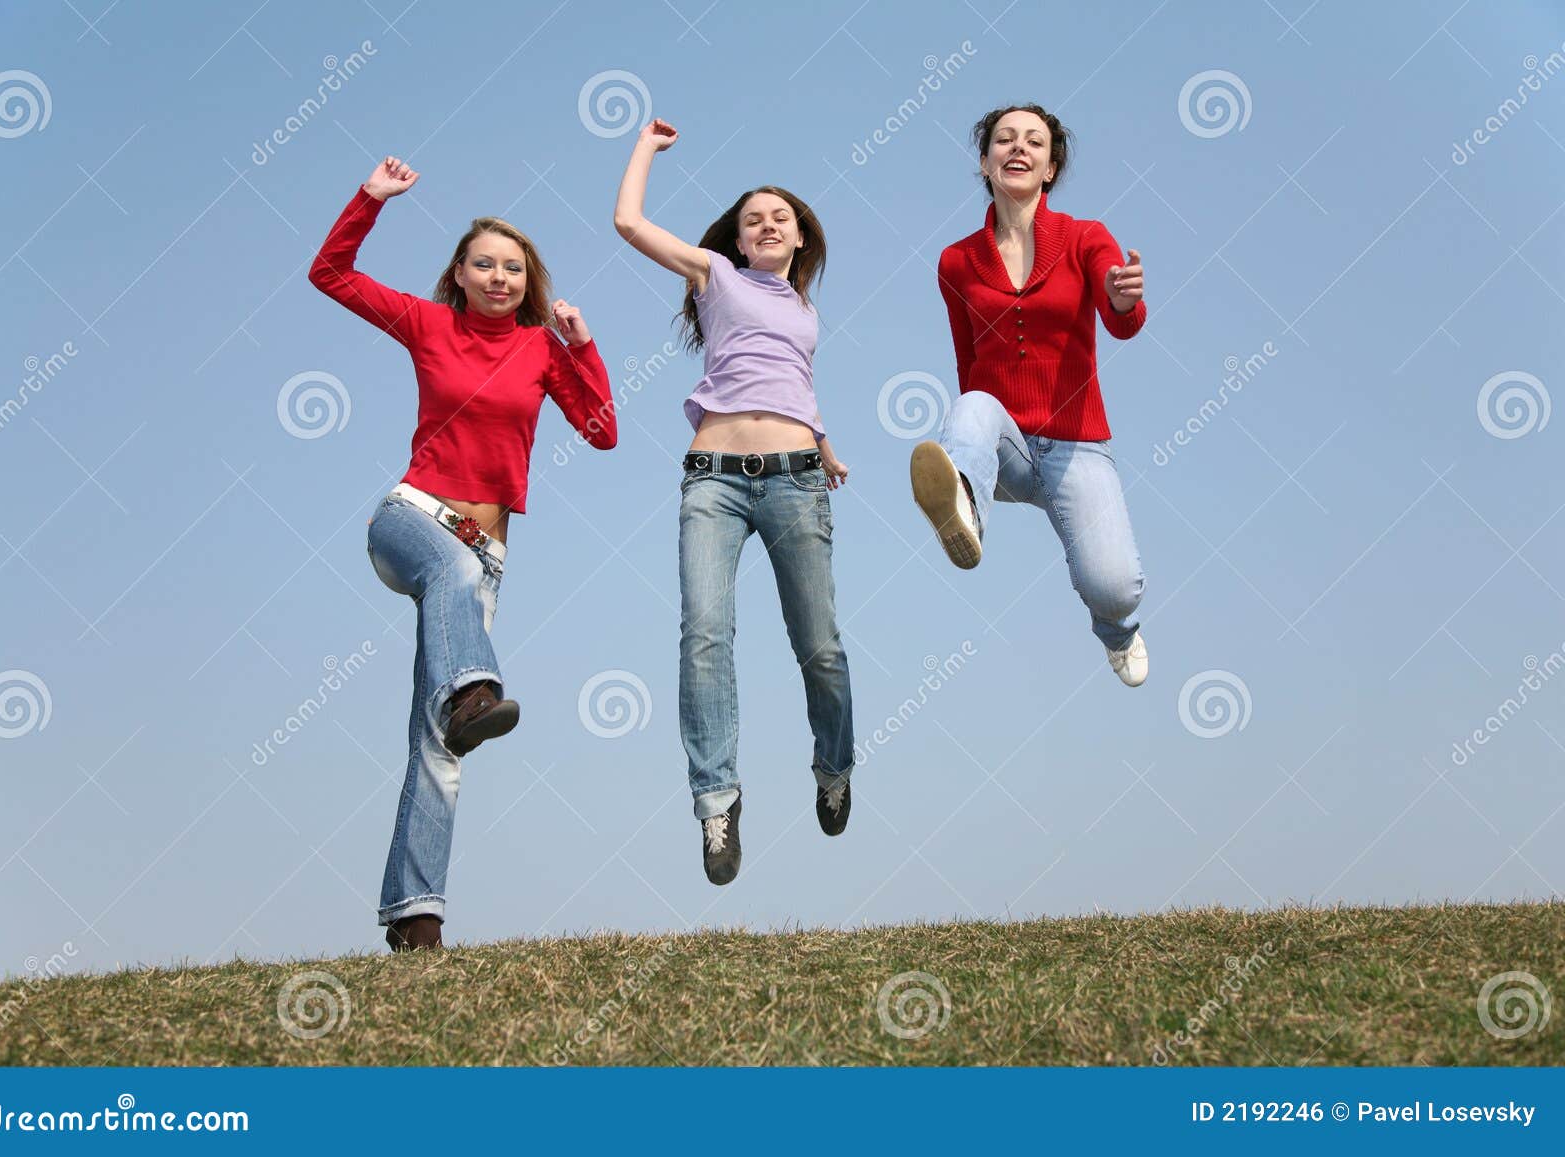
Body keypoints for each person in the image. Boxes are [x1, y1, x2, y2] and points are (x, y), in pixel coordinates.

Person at [309, 155, 617, 949]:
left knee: (439, 745)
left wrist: (582, 349)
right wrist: (368, 199)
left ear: (529, 280)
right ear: (460, 271)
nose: (499, 276)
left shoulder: (541, 351)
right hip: (412, 520)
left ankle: (415, 917)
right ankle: (474, 688)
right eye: (484, 262)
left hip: (488, 555)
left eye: (514, 267)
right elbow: (331, 274)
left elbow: (602, 431)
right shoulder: (427, 323)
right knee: (448, 581)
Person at [614, 118, 854, 885]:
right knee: (705, 634)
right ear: (739, 240)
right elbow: (628, 222)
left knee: (819, 644)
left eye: (780, 214)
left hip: (794, 475)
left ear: (800, 237)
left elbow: (789, 382)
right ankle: (717, 798)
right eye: (754, 217)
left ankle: (834, 764)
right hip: (713, 476)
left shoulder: (808, 314)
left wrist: (822, 445)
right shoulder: (714, 275)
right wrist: (647, 147)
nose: (767, 223)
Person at [913, 105, 1150, 686]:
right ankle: (964, 506)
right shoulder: (956, 262)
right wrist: (980, 448)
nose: (1018, 148)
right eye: (1004, 140)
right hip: (1004, 447)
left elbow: (1121, 318)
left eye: (1034, 142)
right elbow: (967, 359)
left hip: (1077, 449)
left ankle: (1118, 632)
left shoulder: (1085, 238)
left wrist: (1122, 299)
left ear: (1050, 167)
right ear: (986, 162)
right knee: (971, 404)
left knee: (1114, 588)